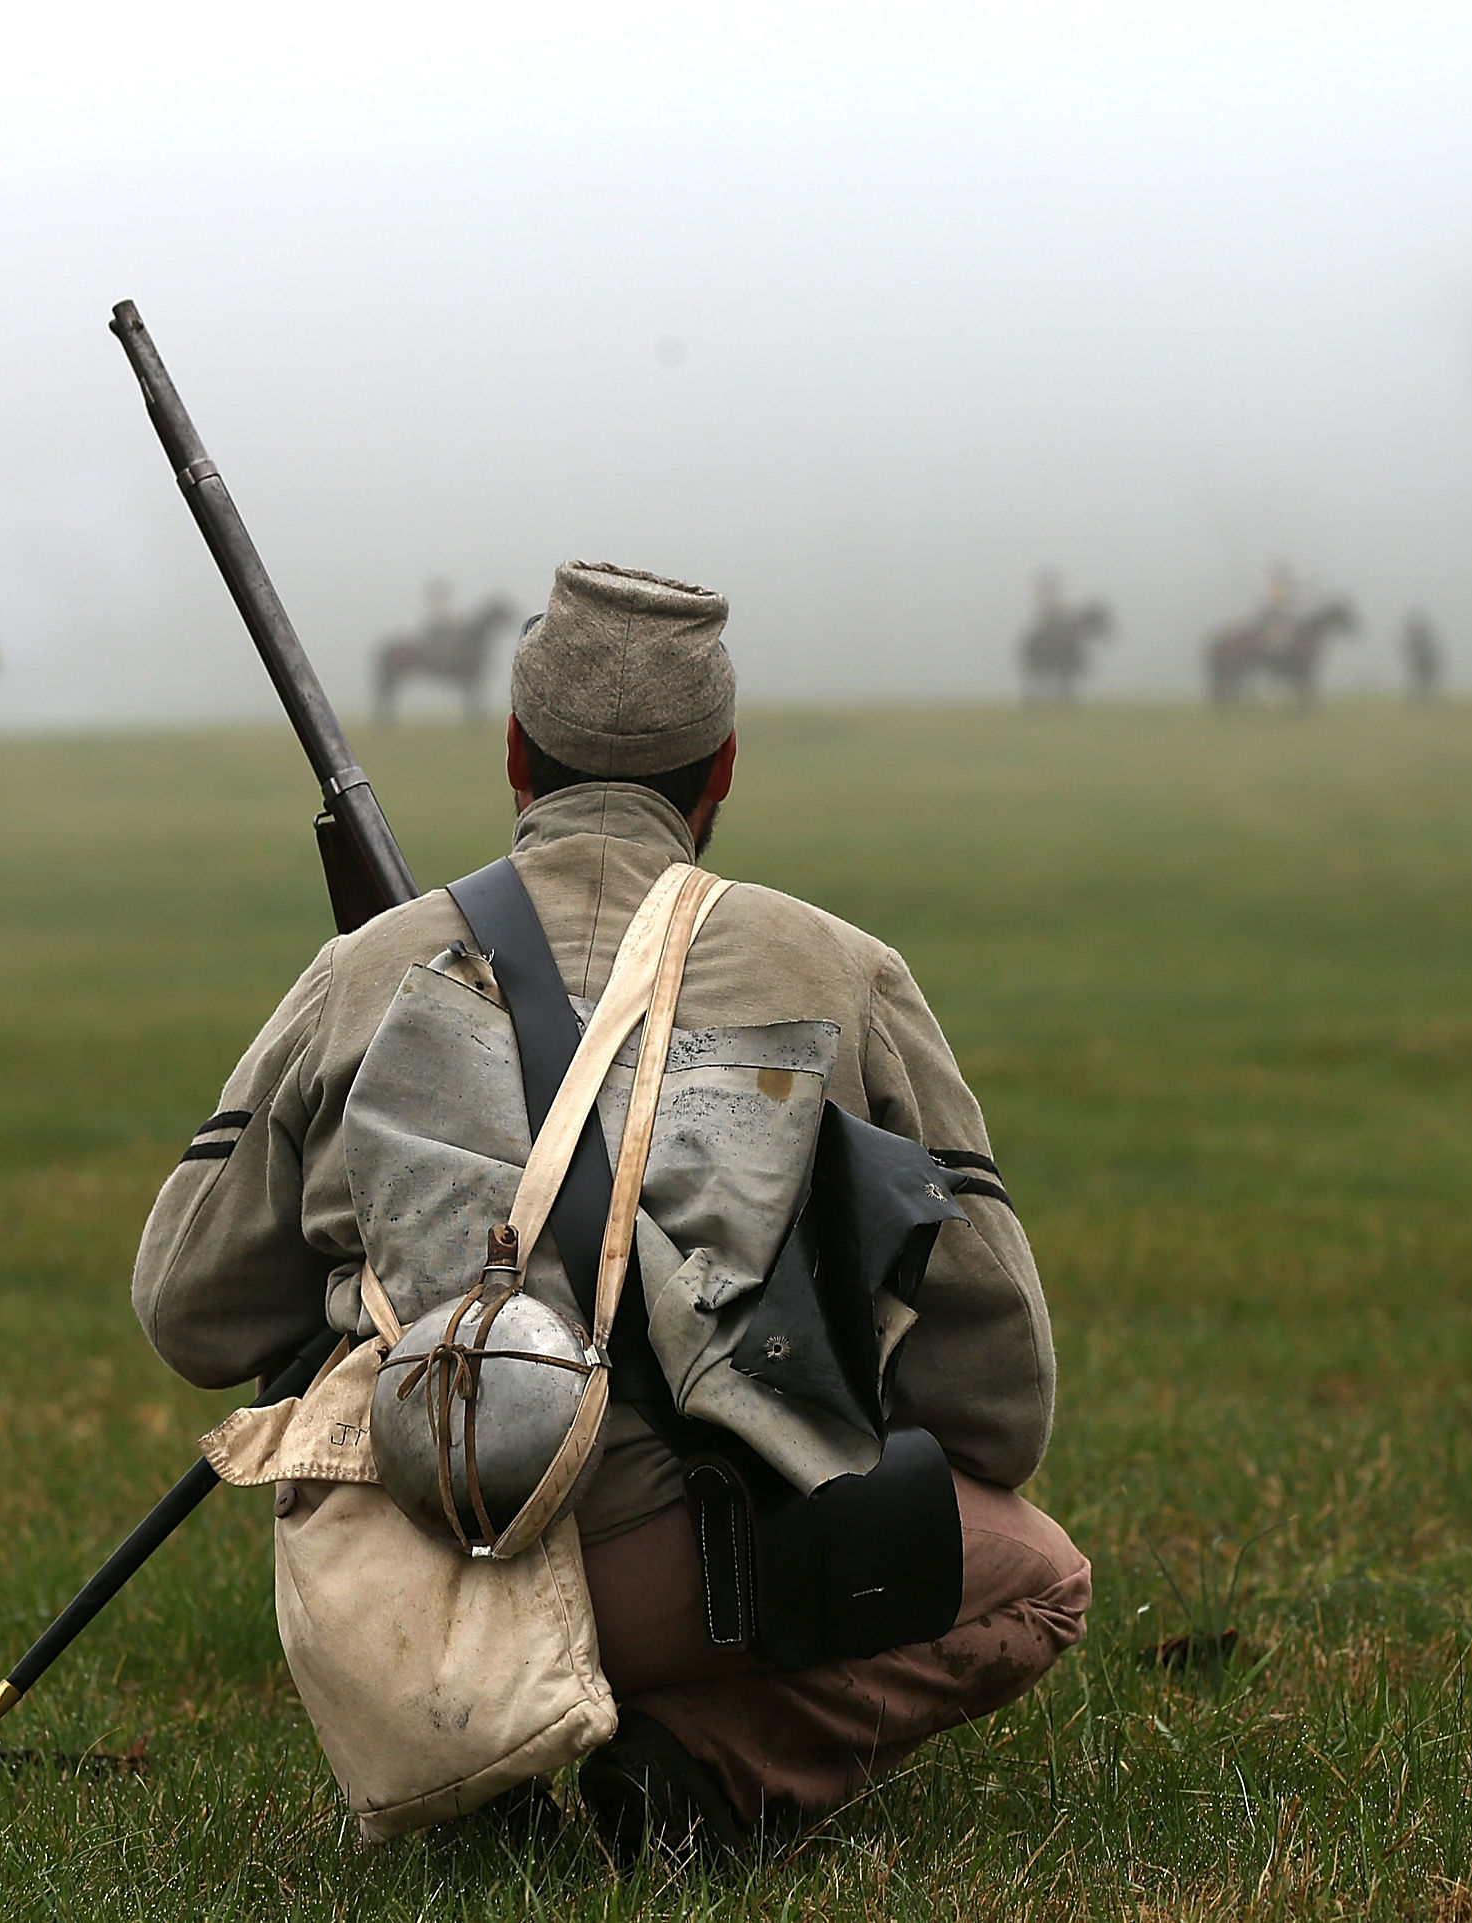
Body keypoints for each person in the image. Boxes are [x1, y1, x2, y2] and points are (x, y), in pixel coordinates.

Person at [131, 560, 1087, 1864]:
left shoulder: (360, 967)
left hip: (403, 1585)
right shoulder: (843, 969)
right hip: (683, 1578)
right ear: (723, 769)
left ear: (515, 752)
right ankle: (710, 1757)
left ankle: (493, 1742)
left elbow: (190, 1310)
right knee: (1039, 1574)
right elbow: (1000, 1400)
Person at [1399, 608, 1443, 702]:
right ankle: (1420, 699)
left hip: (1425, 663)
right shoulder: (1416, 637)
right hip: (1420, 664)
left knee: (1424, 682)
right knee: (1419, 681)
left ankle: (1423, 699)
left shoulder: (1422, 637)